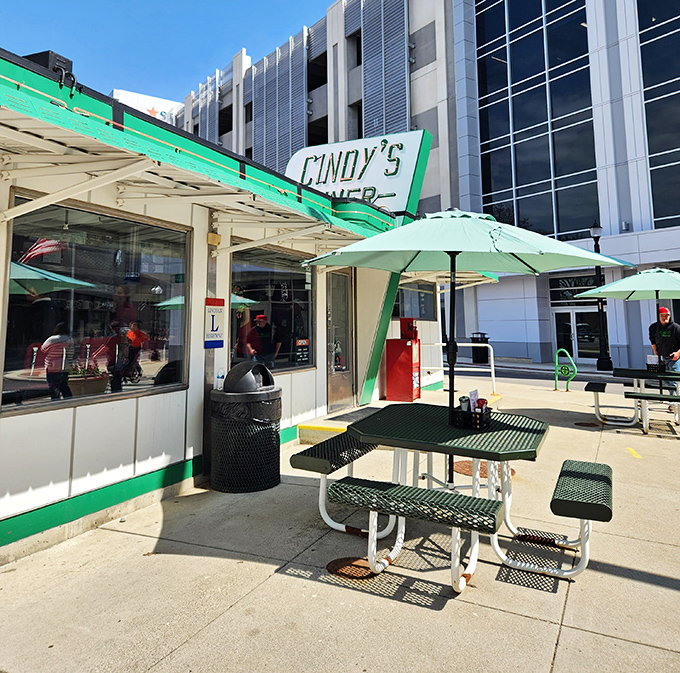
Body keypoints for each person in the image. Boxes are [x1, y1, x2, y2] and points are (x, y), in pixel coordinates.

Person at [648, 306, 680, 410]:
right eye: (662, 315)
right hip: (662, 357)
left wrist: (678, 353)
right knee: (667, 380)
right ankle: (673, 399)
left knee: (674, 380)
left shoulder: (676, 328)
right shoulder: (654, 327)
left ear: (670, 316)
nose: (665, 317)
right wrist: (656, 353)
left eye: (667, 316)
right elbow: (652, 340)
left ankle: (673, 403)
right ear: (658, 316)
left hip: (674, 358)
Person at [40, 322, 73, 400]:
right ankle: (69, 402)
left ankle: (55, 401)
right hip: (64, 367)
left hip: (52, 367)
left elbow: (43, 349)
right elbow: (71, 354)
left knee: (53, 386)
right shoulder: (69, 339)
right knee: (64, 385)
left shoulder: (51, 339)